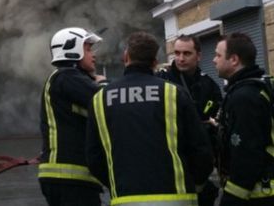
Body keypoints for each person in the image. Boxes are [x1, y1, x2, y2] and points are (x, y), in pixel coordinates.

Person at [86, 31, 213, 205]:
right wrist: (195, 184)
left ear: (126, 57)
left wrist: (117, 183)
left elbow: (94, 157)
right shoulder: (174, 93)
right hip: (177, 198)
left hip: (125, 198)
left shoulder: (100, 98)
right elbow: (200, 149)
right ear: (154, 62)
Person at [214, 32, 274, 205]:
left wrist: (230, 200)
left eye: (218, 55)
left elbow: (246, 154)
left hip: (266, 194)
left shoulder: (244, 97)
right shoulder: (256, 89)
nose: (214, 60)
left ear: (234, 60)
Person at [39, 27, 107, 206]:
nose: (93, 55)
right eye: (88, 49)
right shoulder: (67, 77)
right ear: (72, 50)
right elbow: (106, 100)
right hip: (69, 180)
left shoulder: (68, 80)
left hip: (68, 180)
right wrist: (104, 83)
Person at [157, 34, 223, 205]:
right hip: (168, 159)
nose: (180, 58)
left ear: (198, 56)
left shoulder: (209, 85)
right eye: (177, 53)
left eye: (187, 53)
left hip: (198, 161)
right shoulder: (160, 80)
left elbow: (215, 120)